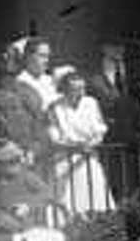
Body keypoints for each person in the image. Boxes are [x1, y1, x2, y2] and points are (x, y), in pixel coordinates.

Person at [47, 67, 114, 216]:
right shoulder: (55, 108)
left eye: (83, 88)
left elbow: (100, 129)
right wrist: (76, 146)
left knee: (95, 199)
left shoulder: (91, 103)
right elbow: (54, 137)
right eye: (75, 89)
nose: (81, 93)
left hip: (89, 159)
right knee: (69, 203)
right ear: (64, 89)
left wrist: (92, 144)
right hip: (65, 160)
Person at [0, 40, 47, 160]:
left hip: (28, 163)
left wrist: (33, 151)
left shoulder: (30, 95)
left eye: (11, 74)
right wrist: (0, 153)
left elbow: (40, 131)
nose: (7, 78)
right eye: (2, 73)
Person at [16, 36, 59, 120]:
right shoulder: (19, 82)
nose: (46, 60)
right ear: (28, 57)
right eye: (42, 56)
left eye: (48, 56)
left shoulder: (50, 80)